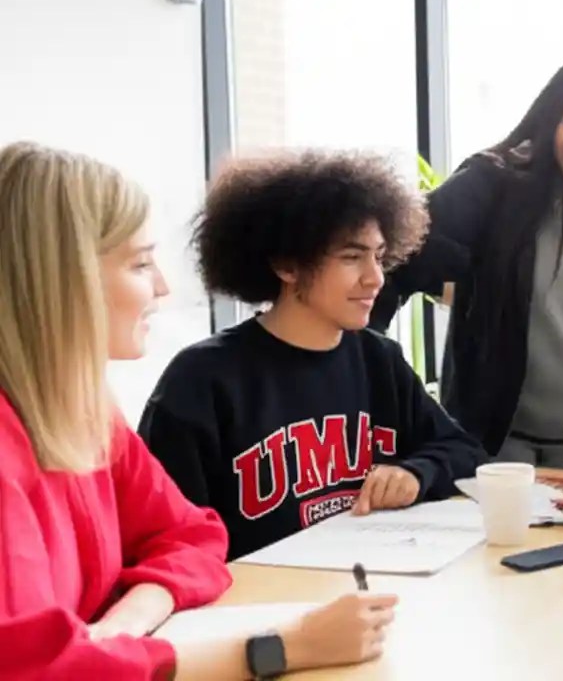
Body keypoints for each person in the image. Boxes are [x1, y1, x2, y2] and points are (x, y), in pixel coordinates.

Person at [0, 141, 398, 679]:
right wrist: (287, 645)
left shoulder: (86, 413)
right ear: (63, 277)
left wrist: (125, 623)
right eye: (141, 264)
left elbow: (194, 534)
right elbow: (36, 668)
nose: (162, 287)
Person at [139, 150, 486, 560]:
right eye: (351, 257)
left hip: (370, 591)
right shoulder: (202, 380)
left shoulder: (379, 361)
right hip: (258, 609)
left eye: (378, 255)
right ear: (287, 264)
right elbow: (164, 539)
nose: (375, 277)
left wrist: (415, 473)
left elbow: (465, 453)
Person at [368, 60, 563, 468]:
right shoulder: (493, 185)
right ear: (549, 121)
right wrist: (364, 367)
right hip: (494, 448)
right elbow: (398, 258)